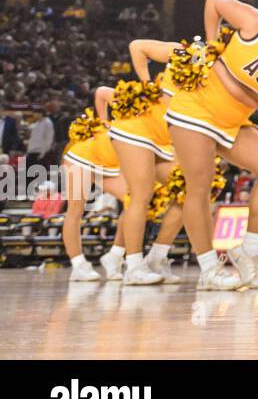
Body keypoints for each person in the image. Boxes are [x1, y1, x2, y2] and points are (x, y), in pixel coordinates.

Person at [166, 0, 258, 290]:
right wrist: (210, 45)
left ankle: (247, 251)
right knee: (200, 187)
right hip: (196, 110)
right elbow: (214, 1)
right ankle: (208, 270)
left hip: (233, 123)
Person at [62, 86, 184, 282]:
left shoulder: (175, 128)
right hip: (82, 155)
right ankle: (78, 265)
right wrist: (103, 121)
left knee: (134, 200)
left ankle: (115, 255)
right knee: (75, 210)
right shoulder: (143, 105)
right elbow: (101, 92)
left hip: (110, 162)